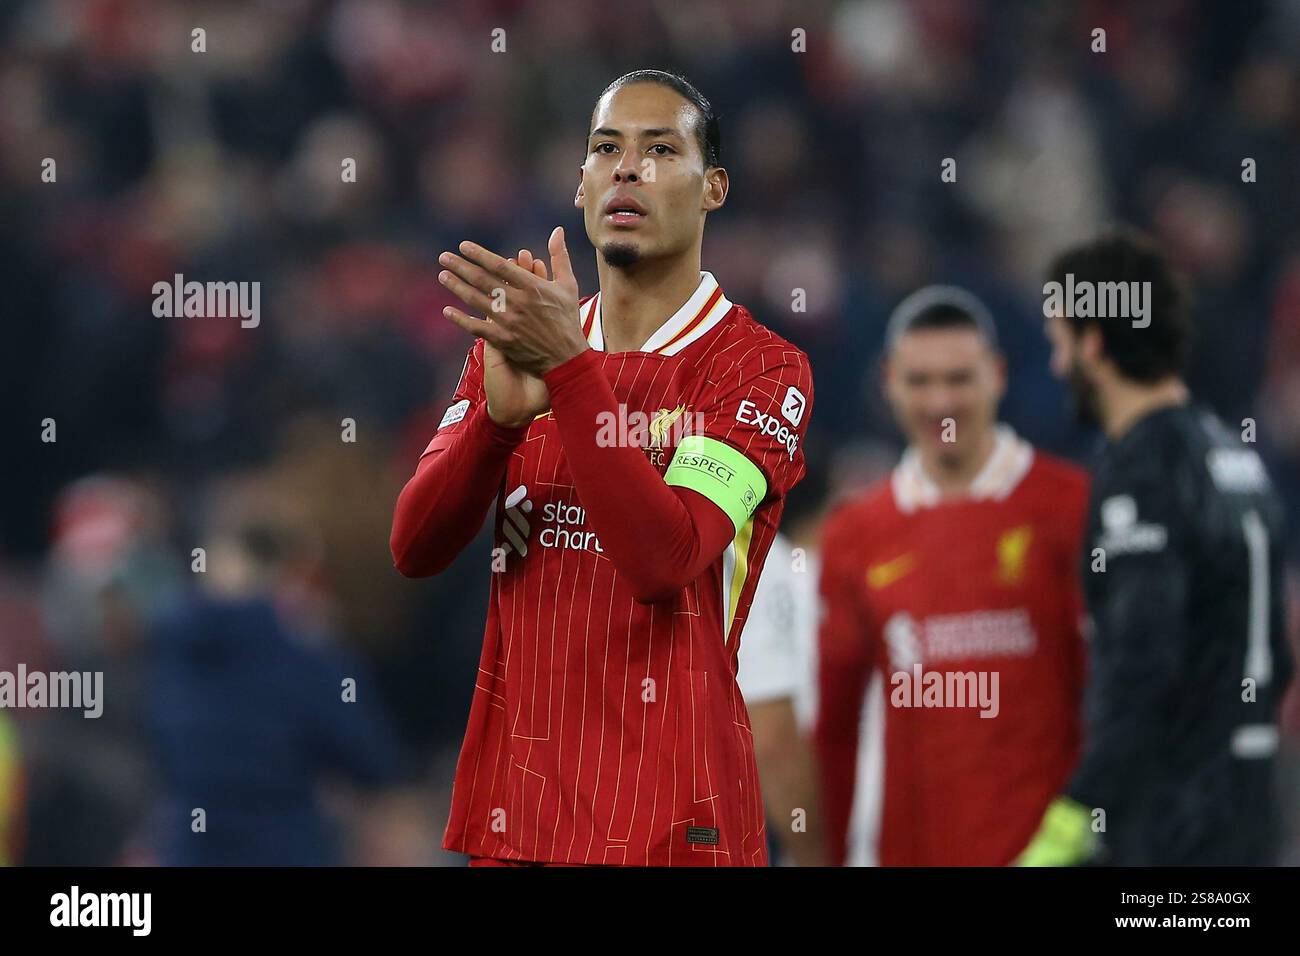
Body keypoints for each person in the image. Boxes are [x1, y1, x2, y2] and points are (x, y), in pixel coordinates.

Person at [391, 70, 813, 866]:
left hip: (674, 824)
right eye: (607, 149)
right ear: (581, 182)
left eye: (661, 150)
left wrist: (571, 374)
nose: (628, 168)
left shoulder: (760, 369)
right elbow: (414, 548)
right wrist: (496, 424)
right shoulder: (520, 345)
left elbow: (666, 560)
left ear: (713, 187)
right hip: (517, 820)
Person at [1021, 229, 1294, 865]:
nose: (1058, 367)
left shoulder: (1145, 468)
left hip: (1174, 830)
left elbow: (1144, 661)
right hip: (1252, 812)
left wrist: (1077, 809)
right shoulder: (1232, 454)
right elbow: (1276, 654)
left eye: (1060, 345)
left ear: (1093, 345)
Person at [816, 286, 1090, 866]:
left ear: (997, 375)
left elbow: (1115, 697)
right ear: (888, 381)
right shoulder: (855, 535)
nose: (941, 401)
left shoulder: (1072, 509)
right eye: (919, 381)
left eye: (960, 379)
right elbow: (834, 732)